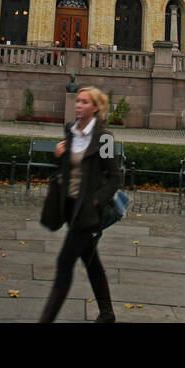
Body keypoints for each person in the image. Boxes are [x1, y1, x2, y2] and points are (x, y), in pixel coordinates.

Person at [38, 86, 120, 322]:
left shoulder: (104, 138)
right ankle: (107, 313)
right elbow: (72, 170)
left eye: (84, 102)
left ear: (95, 107)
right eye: (77, 101)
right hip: (71, 208)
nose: (78, 105)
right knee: (90, 259)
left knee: (64, 263)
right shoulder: (71, 132)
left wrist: (97, 200)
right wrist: (59, 157)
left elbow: (113, 177)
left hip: (89, 213)